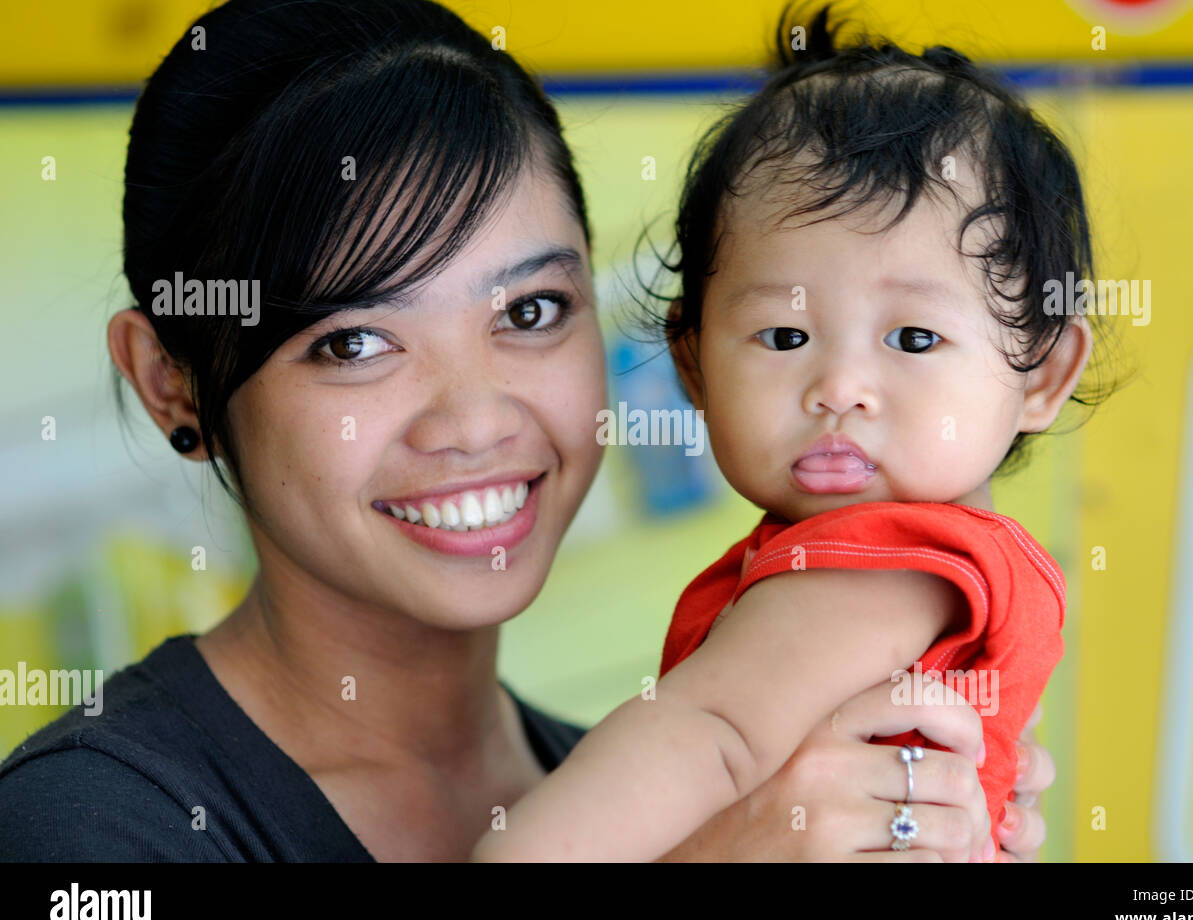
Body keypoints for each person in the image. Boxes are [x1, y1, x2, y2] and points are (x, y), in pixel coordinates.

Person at [0, 0, 1052, 862]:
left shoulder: (659, 789)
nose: (472, 419)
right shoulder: (91, 829)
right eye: (354, 341)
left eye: (531, 311)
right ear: (169, 379)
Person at [471, 4, 1114, 862]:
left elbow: (716, 734)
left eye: (914, 338)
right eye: (784, 336)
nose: (839, 389)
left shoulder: (883, 563)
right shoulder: (950, 563)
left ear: (1040, 373)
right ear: (692, 364)